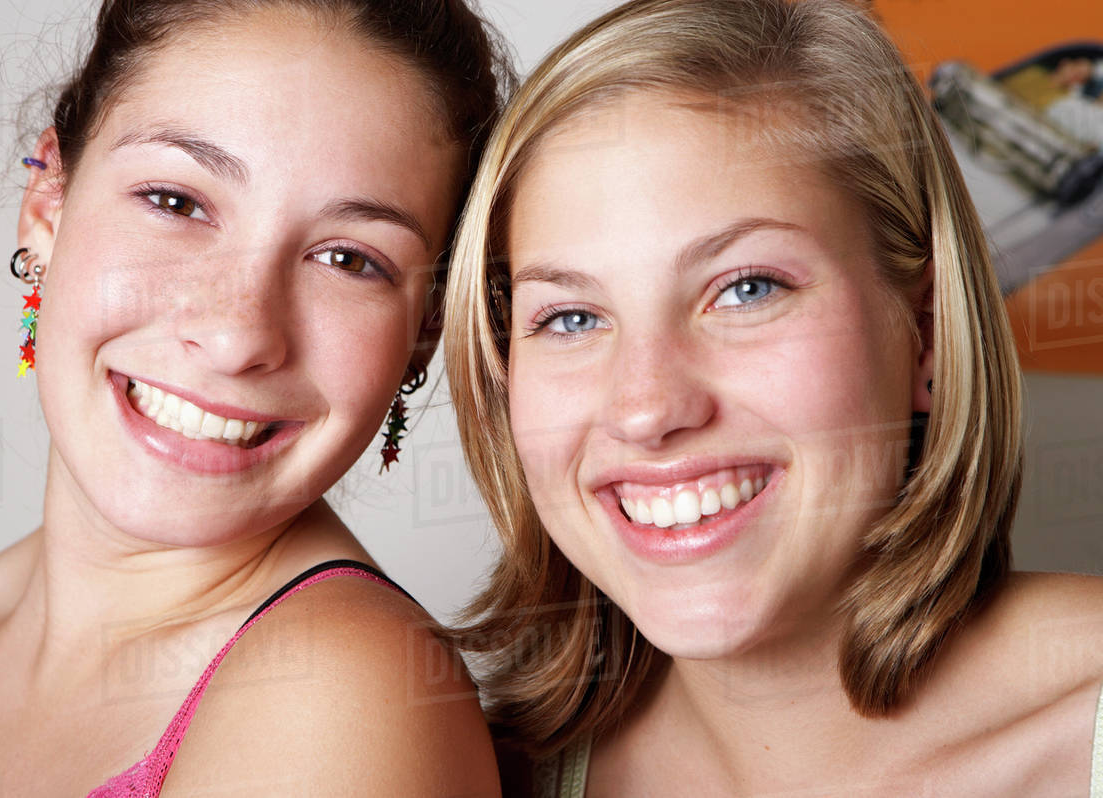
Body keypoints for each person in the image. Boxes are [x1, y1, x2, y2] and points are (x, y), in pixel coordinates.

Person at [443, 0, 1103, 794]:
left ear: (925, 333)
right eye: (572, 318)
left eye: (746, 288)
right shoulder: (467, 773)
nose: (647, 410)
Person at [0, 0, 509, 794]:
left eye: (349, 260)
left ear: (426, 328)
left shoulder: (341, 698)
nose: (236, 336)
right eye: (176, 203)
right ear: (48, 203)